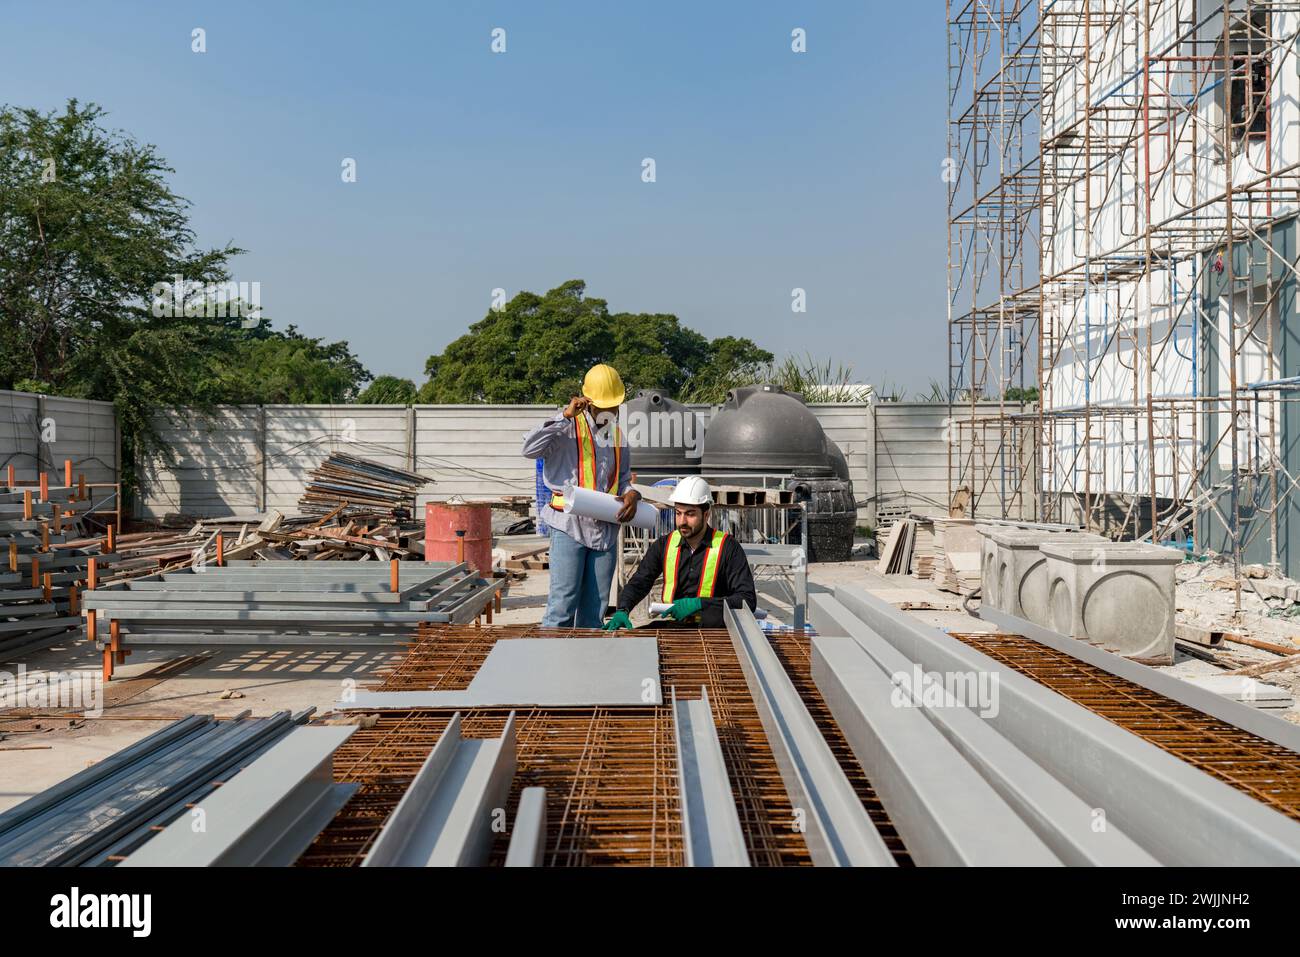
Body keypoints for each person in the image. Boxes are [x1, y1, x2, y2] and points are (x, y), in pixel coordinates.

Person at [522, 363, 642, 628]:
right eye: (604, 406)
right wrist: (564, 416)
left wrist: (632, 494)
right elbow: (529, 449)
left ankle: (587, 666)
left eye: (615, 406)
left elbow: (623, 480)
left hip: (604, 530)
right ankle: (553, 665)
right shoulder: (565, 427)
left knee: (594, 613)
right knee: (562, 607)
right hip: (568, 526)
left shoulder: (617, 436)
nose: (610, 412)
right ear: (588, 402)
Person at [603, 475, 756, 630]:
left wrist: (700, 603)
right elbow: (640, 582)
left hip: (713, 629)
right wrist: (623, 609)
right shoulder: (664, 545)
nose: (682, 521)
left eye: (690, 514)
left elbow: (747, 600)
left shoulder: (728, 547)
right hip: (675, 626)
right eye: (678, 513)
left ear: (706, 514)